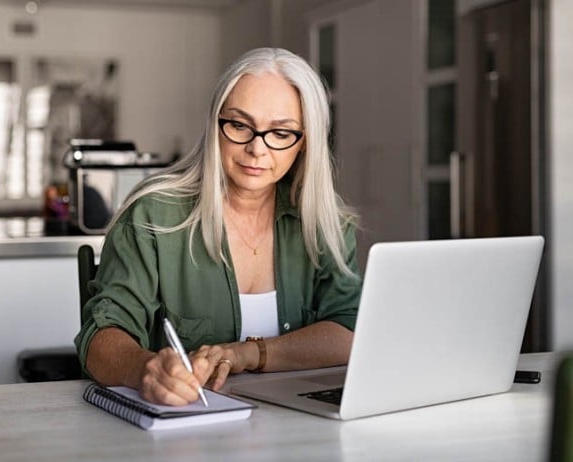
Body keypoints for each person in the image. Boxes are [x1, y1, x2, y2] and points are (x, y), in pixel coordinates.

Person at [74, 47, 362, 406]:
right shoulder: (152, 214)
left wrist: (246, 354)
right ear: (215, 124)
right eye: (240, 125)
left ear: (305, 143)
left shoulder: (325, 223)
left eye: (281, 132)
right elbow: (100, 338)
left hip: (300, 424)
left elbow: (349, 332)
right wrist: (143, 369)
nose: (257, 149)